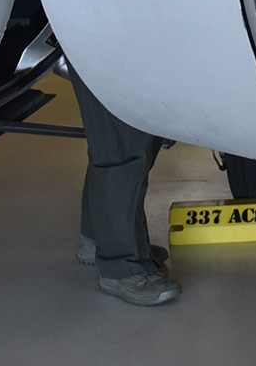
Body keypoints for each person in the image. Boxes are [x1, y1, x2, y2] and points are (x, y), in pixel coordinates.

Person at [68, 66, 180, 306]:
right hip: (105, 39)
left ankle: (99, 238)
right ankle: (122, 268)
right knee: (121, 140)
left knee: (118, 136)